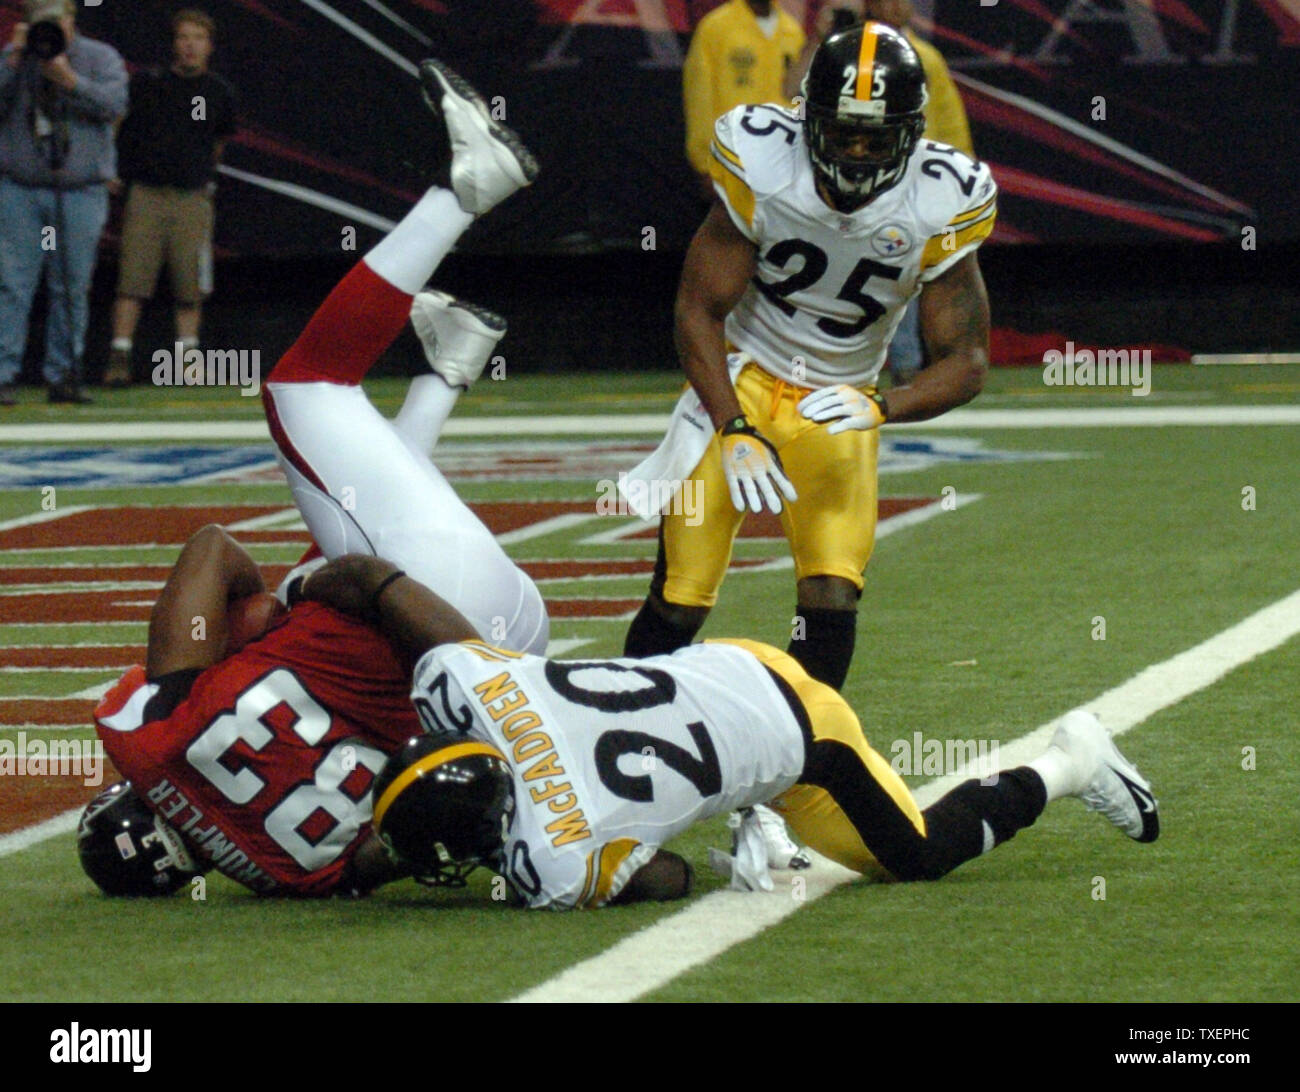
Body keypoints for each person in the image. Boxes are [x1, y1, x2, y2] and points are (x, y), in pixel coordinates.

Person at [78, 59, 545, 899]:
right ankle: (467, 188)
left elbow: (402, 842)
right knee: (305, 386)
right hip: (435, 605)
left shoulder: (294, 875)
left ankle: (448, 370)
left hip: (507, 669)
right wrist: (279, 610)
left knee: (337, 546)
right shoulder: (144, 740)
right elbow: (214, 551)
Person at [300, 553, 1159, 910]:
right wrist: (299, 596)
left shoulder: (553, 862)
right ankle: (767, 812)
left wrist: (363, 872)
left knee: (919, 853)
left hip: (802, 739)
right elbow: (376, 578)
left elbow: (670, 878)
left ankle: (1068, 761)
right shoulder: (474, 686)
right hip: (727, 663)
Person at [621, 21, 993, 698]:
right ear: (806, 118)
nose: (854, 151)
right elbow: (696, 312)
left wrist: (880, 404)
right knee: (682, 594)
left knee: (831, 590)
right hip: (744, 375)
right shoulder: (764, 161)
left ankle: (801, 762)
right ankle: (622, 730)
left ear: (909, 133)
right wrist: (733, 427)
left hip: (840, 397)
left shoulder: (943, 197)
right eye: (841, 131)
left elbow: (966, 360)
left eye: (873, 137)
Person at [786, 1, 975, 382]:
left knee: (908, 271)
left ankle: (909, 369)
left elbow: (952, 131)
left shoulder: (925, 59)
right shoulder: (840, 53)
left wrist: (958, 190)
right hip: (838, 186)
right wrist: (817, 41)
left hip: (907, 189)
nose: (896, 4)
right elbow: (792, 98)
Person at [0, 0, 127, 406]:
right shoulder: (16, 57)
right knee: (13, 285)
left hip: (80, 191)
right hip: (20, 189)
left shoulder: (100, 57)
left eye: (56, 22)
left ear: (72, 21)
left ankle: (65, 374)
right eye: (40, 23)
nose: (49, 30)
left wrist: (70, 80)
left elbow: (115, 106)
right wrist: (13, 59)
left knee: (71, 286)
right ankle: (3, 374)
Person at [103, 8, 237, 388]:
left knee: (189, 285)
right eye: (183, 37)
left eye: (198, 38)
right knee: (132, 281)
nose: (190, 45)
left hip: (192, 198)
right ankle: (119, 356)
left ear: (209, 46)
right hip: (145, 194)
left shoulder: (220, 92)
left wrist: (200, 178)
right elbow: (118, 124)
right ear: (174, 44)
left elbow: (218, 143)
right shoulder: (147, 84)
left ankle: (188, 363)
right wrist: (110, 167)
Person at [683, 0, 804, 199]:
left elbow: (799, 101)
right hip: (730, 165)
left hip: (781, 173)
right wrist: (705, 165)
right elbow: (699, 98)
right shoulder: (717, 27)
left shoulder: (792, 32)